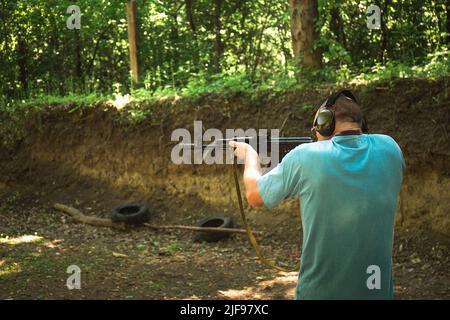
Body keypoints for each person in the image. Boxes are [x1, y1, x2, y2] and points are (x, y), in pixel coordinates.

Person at [229, 90, 404, 300]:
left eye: (317, 127)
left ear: (325, 123)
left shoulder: (305, 156)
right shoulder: (390, 148)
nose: (315, 135)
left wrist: (250, 156)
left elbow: (255, 195)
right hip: (375, 291)